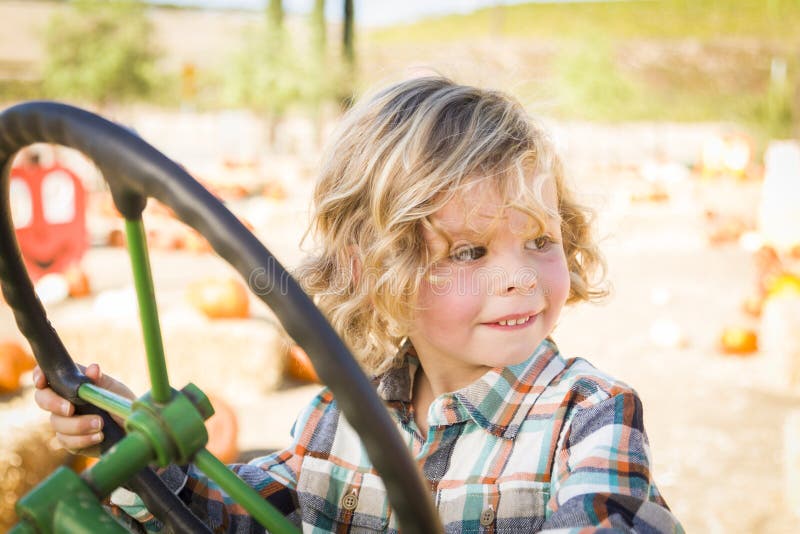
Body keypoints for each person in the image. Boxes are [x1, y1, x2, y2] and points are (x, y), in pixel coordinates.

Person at [33, 76, 683, 532]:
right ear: (373, 272)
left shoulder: (589, 417)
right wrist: (133, 450)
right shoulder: (336, 416)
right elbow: (230, 517)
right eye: (469, 252)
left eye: (541, 240)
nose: (521, 278)